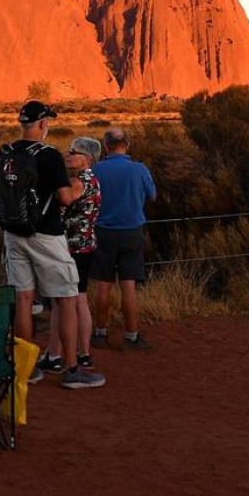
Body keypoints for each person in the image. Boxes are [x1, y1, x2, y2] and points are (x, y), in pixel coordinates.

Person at [0, 101, 105, 389]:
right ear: (42, 124)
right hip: (47, 235)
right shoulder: (49, 155)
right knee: (66, 298)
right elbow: (64, 198)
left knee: (23, 300)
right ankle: (72, 369)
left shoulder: (6, 152)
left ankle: (25, 369)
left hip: (13, 234)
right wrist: (77, 190)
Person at [38, 136, 102, 374]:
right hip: (86, 245)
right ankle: (83, 354)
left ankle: (55, 355)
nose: (68, 154)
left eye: (74, 152)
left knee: (62, 302)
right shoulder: (93, 180)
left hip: (70, 247)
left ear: (87, 159)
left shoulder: (77, 182)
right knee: (79, 298)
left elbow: (63, 202)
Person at [91, 127, 157, 351]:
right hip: (132, 232)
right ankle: (131, 336)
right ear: (127, 145)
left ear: (106, 146)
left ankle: (100, 333)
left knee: (103, 283)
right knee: (128, 284)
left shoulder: (96, 169)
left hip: (103, 232)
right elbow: (153, 196)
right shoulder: (139, 169)